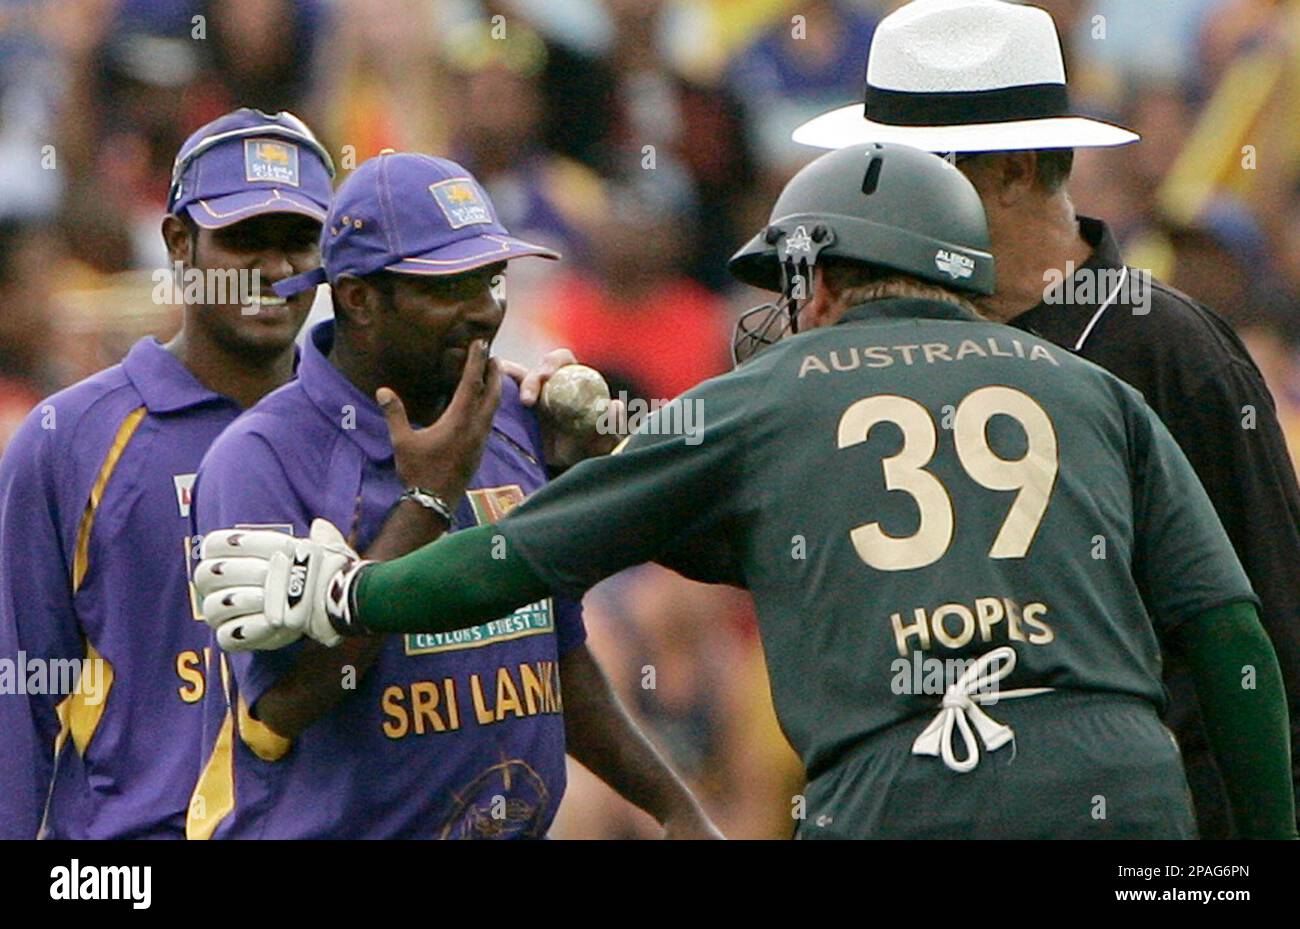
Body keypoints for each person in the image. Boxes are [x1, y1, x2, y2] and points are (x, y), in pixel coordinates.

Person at [193, 142, 1295, 839]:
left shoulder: (769, 394)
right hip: (1129, 799)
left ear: (823, 273)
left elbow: (520, 557)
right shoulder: (1094, 388)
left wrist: (351, 596)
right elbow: (1233, 637)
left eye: (790, 277)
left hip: (907, 794)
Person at [791, 0, 1300, 838]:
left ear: (1016, 169)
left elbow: (1271, 631)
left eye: (923, 169)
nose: (883, 201)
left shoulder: (1166, 349)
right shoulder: (868, 338)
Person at [184, 151, 717, 840]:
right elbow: (280, 711)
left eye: (491, 280)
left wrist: (677, 809)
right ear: (358, 297)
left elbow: (555, 653)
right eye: (447, 287)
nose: (482, 312)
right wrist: (427, 504)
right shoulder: (260, 457)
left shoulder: (515, 420)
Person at [0, 108, 332, 838]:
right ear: (179, 245)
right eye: (243, 239)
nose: (274, 271)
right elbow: (15, 700)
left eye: (298, 242)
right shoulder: (68, 440)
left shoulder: (366, 427)